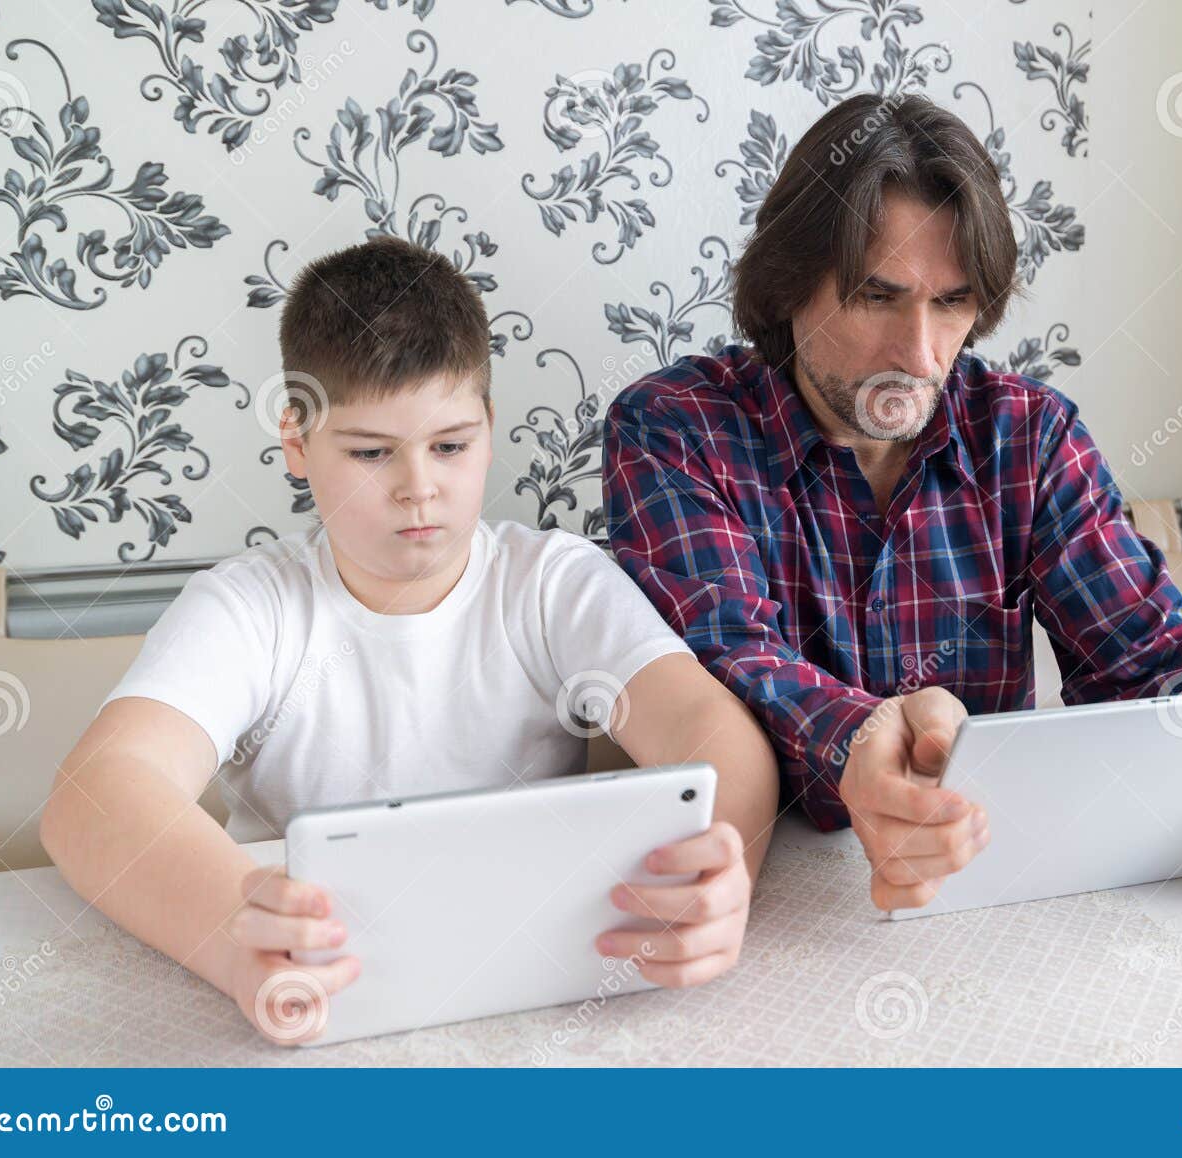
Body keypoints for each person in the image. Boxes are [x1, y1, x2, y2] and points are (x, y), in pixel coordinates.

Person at [604, 93, 1182, 913]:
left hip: (983, 885)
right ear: (788, 287)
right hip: (761, 890)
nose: (919, 356)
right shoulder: (676, 429)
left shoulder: (1028, 436)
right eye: (876, 296)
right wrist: (862, 738)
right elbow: (733, 657)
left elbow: (1150, 652)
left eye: (952, 302)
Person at [40, 236, 779, 1046]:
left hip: (530, 1000)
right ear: (297, 443)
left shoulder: (551, 583)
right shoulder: (250, 607)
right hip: (327, 999)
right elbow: (95, 794)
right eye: (371, 453)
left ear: (489, 427)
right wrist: (231, 931)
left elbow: (709, 732)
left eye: (450, 446)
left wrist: (721, 871)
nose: (418, 488)